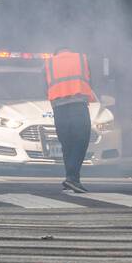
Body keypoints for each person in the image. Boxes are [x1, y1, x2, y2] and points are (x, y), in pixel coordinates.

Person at [44, 47, 98, 194]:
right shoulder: (81, 58)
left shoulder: (49, 63)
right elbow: (90, 81)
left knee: (67, 144)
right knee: (81, 142)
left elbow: (45, 87)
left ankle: (72, 178)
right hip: (78, 106)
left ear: (56, 53)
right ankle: (72, 179)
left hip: (59, 109)